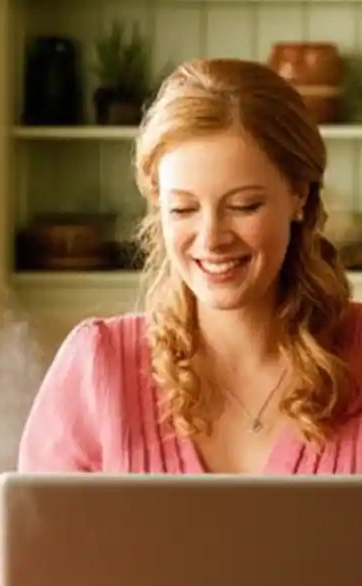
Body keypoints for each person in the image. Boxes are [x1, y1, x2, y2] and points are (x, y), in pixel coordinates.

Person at [19, 57, 362, 476]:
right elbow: (40, 539)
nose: (212, 237)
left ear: (299, 196)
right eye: (182, 208)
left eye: (243, 206)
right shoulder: (99, 368)